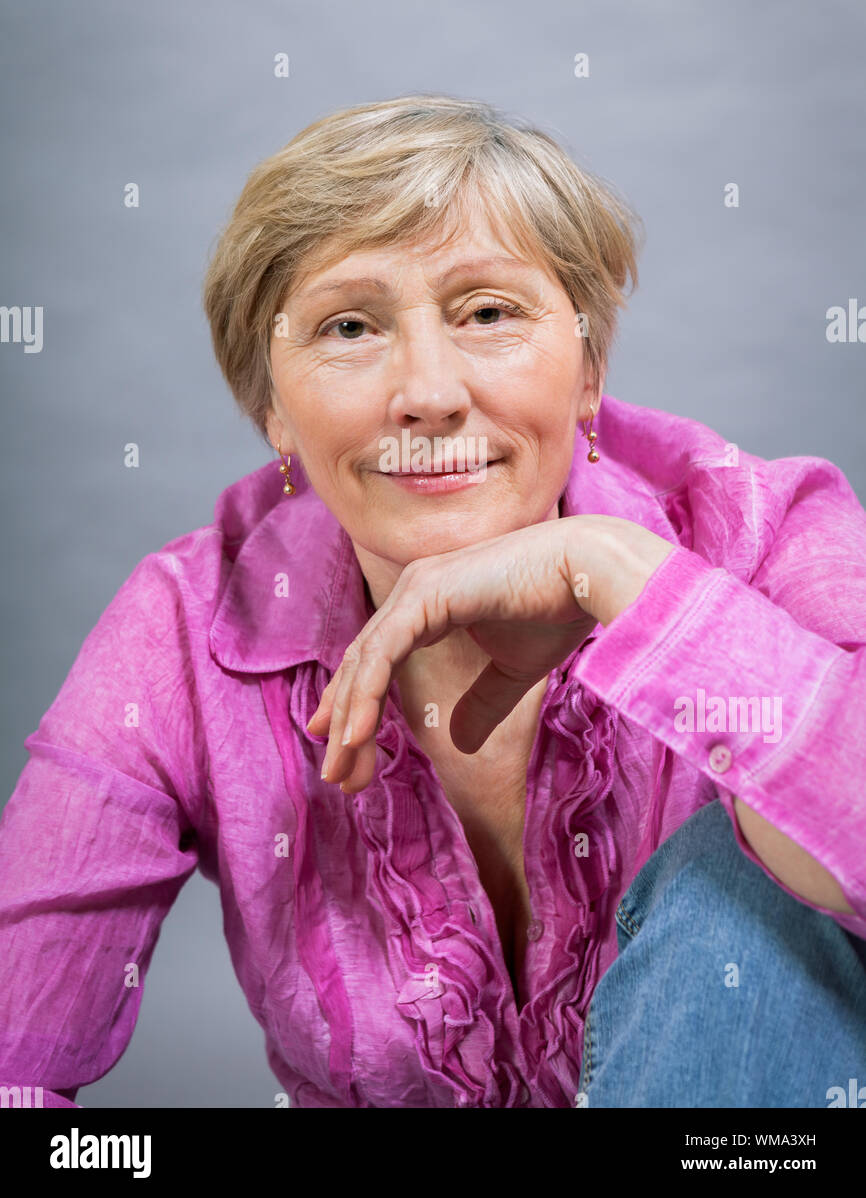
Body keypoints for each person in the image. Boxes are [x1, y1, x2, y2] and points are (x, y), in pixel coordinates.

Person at [1, 94, 865, 1110]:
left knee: (734, 885)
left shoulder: (761, 531)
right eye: (350, 325)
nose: (427, 391)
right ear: (271, 406)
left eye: (488, 312)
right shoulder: (190, 625)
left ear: (589, 366)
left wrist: (617, 573)